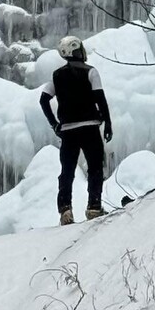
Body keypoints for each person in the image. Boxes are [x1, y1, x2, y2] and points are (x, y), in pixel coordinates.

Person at [39, 36, 113, 225]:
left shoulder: (57, 75)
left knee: (67, 171)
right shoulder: (91, 72)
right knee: (95, 168)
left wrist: (54, 123)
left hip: (68, 130)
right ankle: (94, 207)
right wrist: (108, 124)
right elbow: (100, 99)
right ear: (77, 51)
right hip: (89, 127)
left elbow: (43, 99)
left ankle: (65, 210)